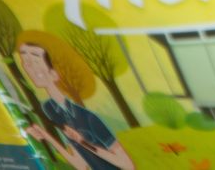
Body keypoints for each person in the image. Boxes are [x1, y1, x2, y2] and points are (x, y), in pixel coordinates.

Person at [16, 40, 135, 170]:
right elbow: (80, 164)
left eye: (35, 61)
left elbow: (128, 165)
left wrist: (83, 142)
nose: (30, 69)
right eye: (26, 63)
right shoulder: (52, 110)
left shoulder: (88, 117)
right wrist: (45, 135)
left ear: (54, 74)